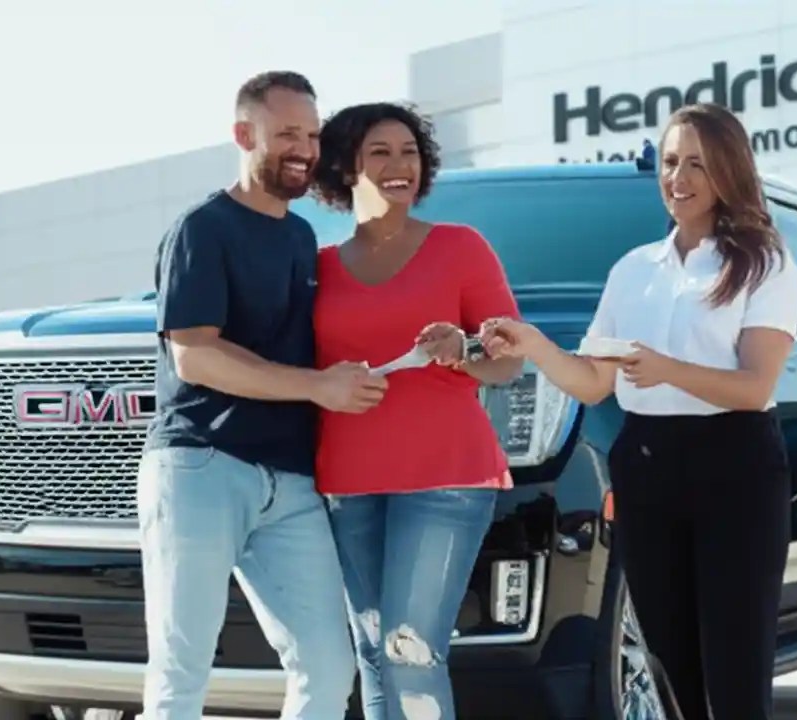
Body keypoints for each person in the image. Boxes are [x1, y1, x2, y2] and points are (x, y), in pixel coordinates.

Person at [481, 102, 797, 720]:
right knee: (668, 664)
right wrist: (533, 345)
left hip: (735, 465)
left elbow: (755, 387)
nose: (677, 178)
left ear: (729, 173)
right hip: (647, 464)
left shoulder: (765, 263)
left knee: (735, 671)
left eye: (696, 165)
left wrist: (665, 369)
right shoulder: (633, 271)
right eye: (670, 161)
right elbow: (592, 383)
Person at [138, 70, 389, 720]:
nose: (305, 148)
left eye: (311, 133)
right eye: (286, 134)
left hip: (291, 483)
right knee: (182, 669)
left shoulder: (302, 238)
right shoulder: (202, 230)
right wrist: (318, 389)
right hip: (201, 468)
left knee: (329, 667)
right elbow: (195, 356)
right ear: (243, 134)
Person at [308, 101, 525, 720]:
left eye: (409, 152)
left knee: (412, 651)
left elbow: (508, 358)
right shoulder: (318, 269)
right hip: (347, 482)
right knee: (374, 653)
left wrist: (463, 350)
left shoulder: (460, 248)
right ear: (346, 166)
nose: (400, 164)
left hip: (445, 479)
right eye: (380, 152)